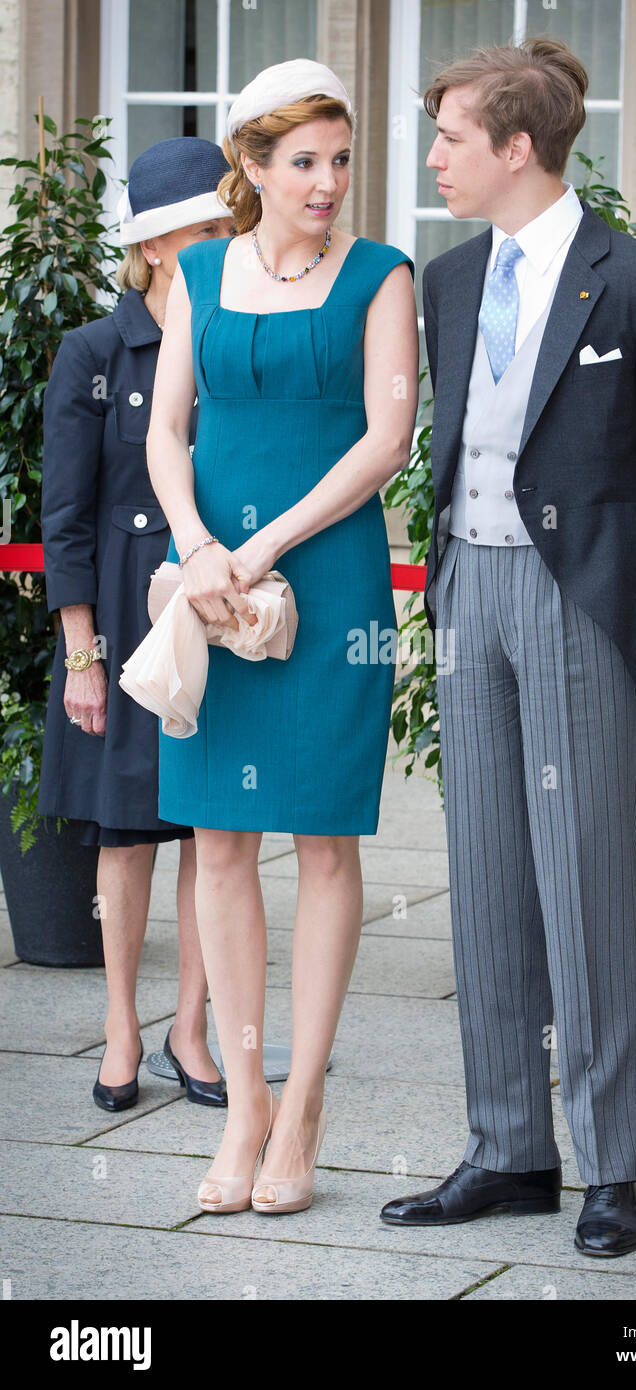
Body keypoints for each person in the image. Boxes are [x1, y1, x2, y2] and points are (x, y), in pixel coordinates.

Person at [380, 37, 636, 1256]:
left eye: (450, 138)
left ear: (516, 147)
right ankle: (508, 1149)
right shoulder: (449, 278)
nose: (433, 158)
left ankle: (610, 1171)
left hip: (579, 605)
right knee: (481, 880)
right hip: (470, 592)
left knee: (585, 889)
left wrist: (624, 603)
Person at [146, 59, 418, 1214]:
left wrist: (260, 553)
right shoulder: (198, 273)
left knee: (320, 845)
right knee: (214, 846)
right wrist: (201, 548)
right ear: (251, 168)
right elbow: (167, 432)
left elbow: (386, 440)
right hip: (208, 586)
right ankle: (245, 1100)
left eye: (341, 158)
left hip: (332, 581)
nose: (329, 181)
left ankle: (305, 1102)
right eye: (303, 159)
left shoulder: (383, 273)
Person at [38, 138, 236, 1111]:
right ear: (157, 247)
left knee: (213, 829)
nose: (219, 244)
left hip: (212, 607)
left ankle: (190, 1031)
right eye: (203, 230)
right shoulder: (92, 351)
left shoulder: (235, 336)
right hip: (117, 622)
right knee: (123, 834)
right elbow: (64, 516)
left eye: (223, 229)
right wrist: (81, 653)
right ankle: (120, 1028)